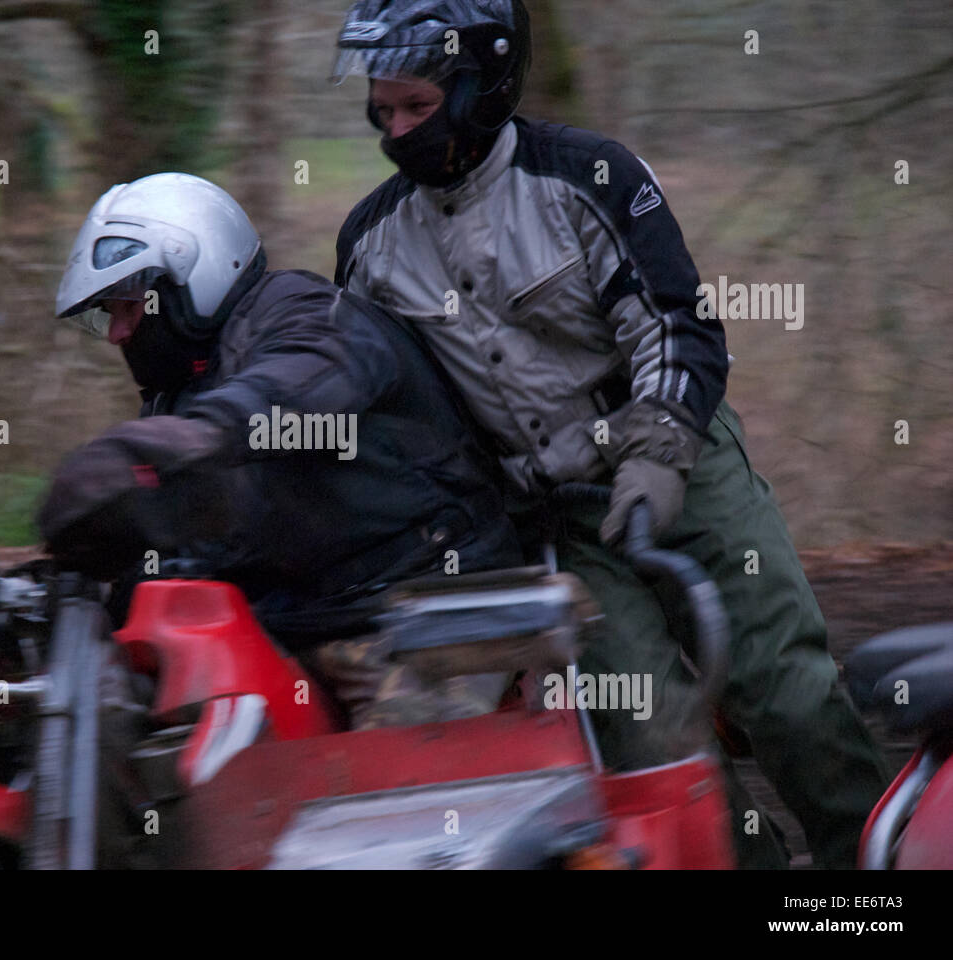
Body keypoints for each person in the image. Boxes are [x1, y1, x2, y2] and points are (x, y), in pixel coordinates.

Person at [330, 0, 890, 867]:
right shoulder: (369, 245)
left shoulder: (589, 176)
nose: (396, 131)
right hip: (559, 524)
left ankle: (871, 871)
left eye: (417, 109)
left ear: (483, 86)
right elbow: (401, 420)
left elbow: (678, 325)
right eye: (383, 112)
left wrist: (658, 450)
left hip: (679, 461)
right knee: (648, 737)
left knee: (784, 687)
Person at [37, 171, 527, 729]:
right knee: (169, 752)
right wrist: (99, 573)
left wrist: (190, 439)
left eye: (129, 307)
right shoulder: (182, 394)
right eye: (109, 313)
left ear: (187, 278)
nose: (117, 334)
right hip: (303, 625)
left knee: (383, 796)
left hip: (423, 615)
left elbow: (294, 386)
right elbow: (209, 547)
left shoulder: (307, 315)